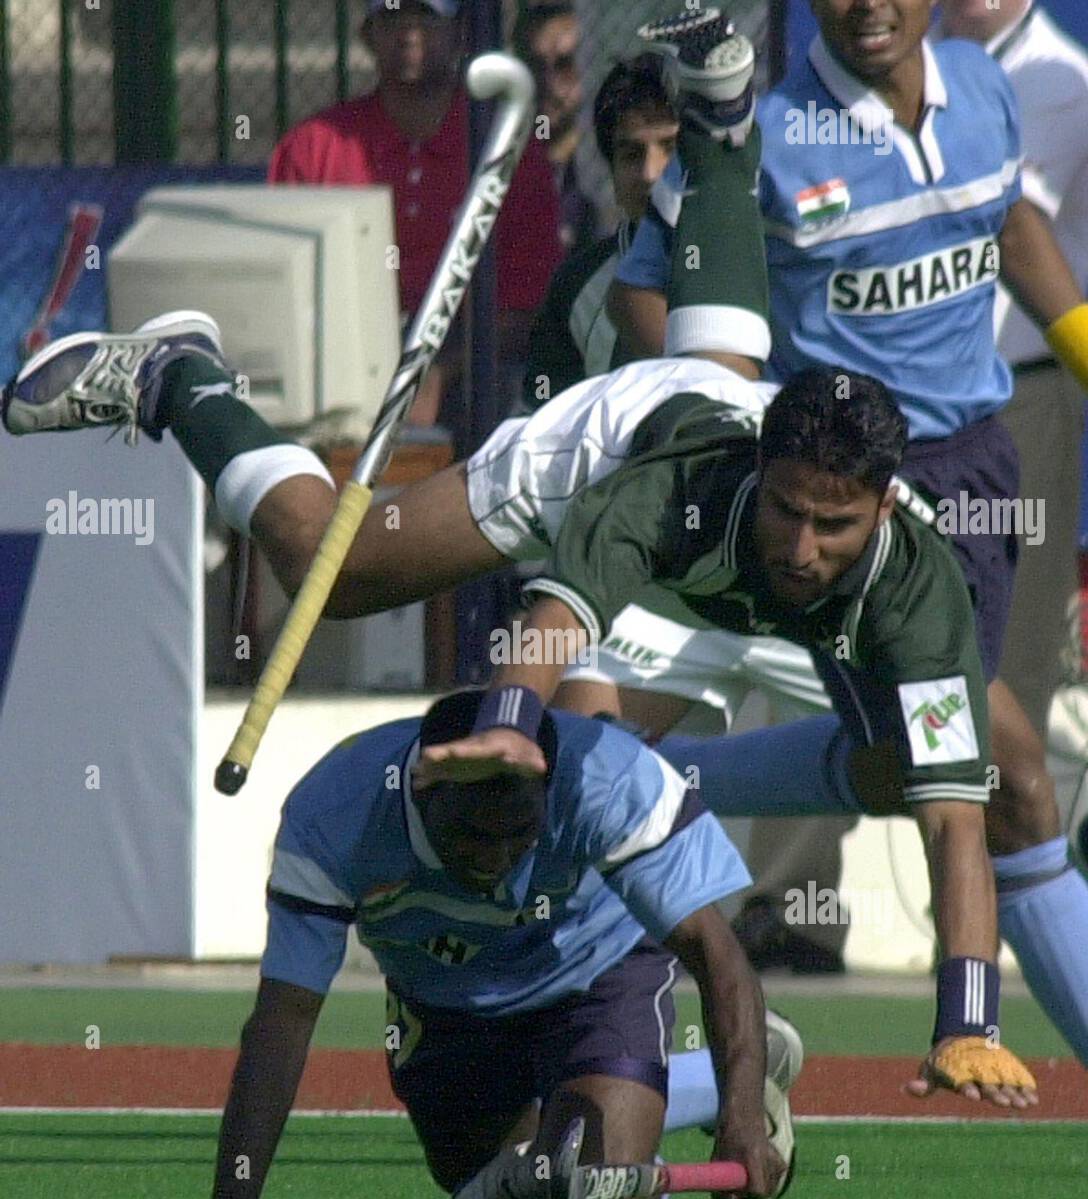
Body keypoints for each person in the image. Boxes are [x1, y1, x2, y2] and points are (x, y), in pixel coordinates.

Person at [1, 10, 1069, 1087]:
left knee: (948, 752)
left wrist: (965, 1019)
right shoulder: (662, 502)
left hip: (736, 395)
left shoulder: (916, 586)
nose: (799, 546)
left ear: (884, 515)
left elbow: (948, 817)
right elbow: (550, 623)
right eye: (785, 516)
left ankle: (718, 119)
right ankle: (184, 380)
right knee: (339, 567)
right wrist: (508, 731)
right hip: (609, 448)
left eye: (829, 528)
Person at [607, 0, 1088, 980]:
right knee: (1009, 778)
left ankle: (663, 772)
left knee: (911, 765)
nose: (868, 3)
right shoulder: (770, 137)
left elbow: (1009, 221)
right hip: (861, 497)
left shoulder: (984, 89)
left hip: (981, 471)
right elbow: (643, 283)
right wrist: (731, 407)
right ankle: (974, 1024)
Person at [116, 690, 793, 1199]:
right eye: (472, 833)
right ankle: (700, 1079)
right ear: (420, 790)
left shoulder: (609, 781)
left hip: (595, 972)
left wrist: (741, 1116)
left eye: (519, 834)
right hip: (443, 1000)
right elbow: (285, 1017)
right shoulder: (335, 814)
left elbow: (716, 952)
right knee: (484, 1181)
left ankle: (720, 1083)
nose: (497, 859)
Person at [269, 0, 563, 431]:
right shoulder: (311, 148)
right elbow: (281, 297)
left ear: (460, 31)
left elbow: (528, 304)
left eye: (425, 16)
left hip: (471, 380)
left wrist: (436, 374)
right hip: (335, 375)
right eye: (392, 17)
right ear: (367, 34)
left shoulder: (507, 147)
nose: (409, 32)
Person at [939, 0, 1088, 740]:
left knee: (1010, 653)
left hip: (1020, 402)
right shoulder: (874, 64)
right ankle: (791, 859)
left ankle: (1018, 853)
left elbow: (994, 221)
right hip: (894, 397)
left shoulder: (1062, 81)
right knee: (842, 646)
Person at [522, 54, 680, 408]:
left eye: (671, 148)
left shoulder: (767, 264)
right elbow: (540, 426)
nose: (650, 173)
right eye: (631, 154)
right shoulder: (577, 285)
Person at [513, 0, 599, 252]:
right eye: (535, 66)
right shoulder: (506, 169)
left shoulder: (606, 165)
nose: (548, 84)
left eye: (564, 64)